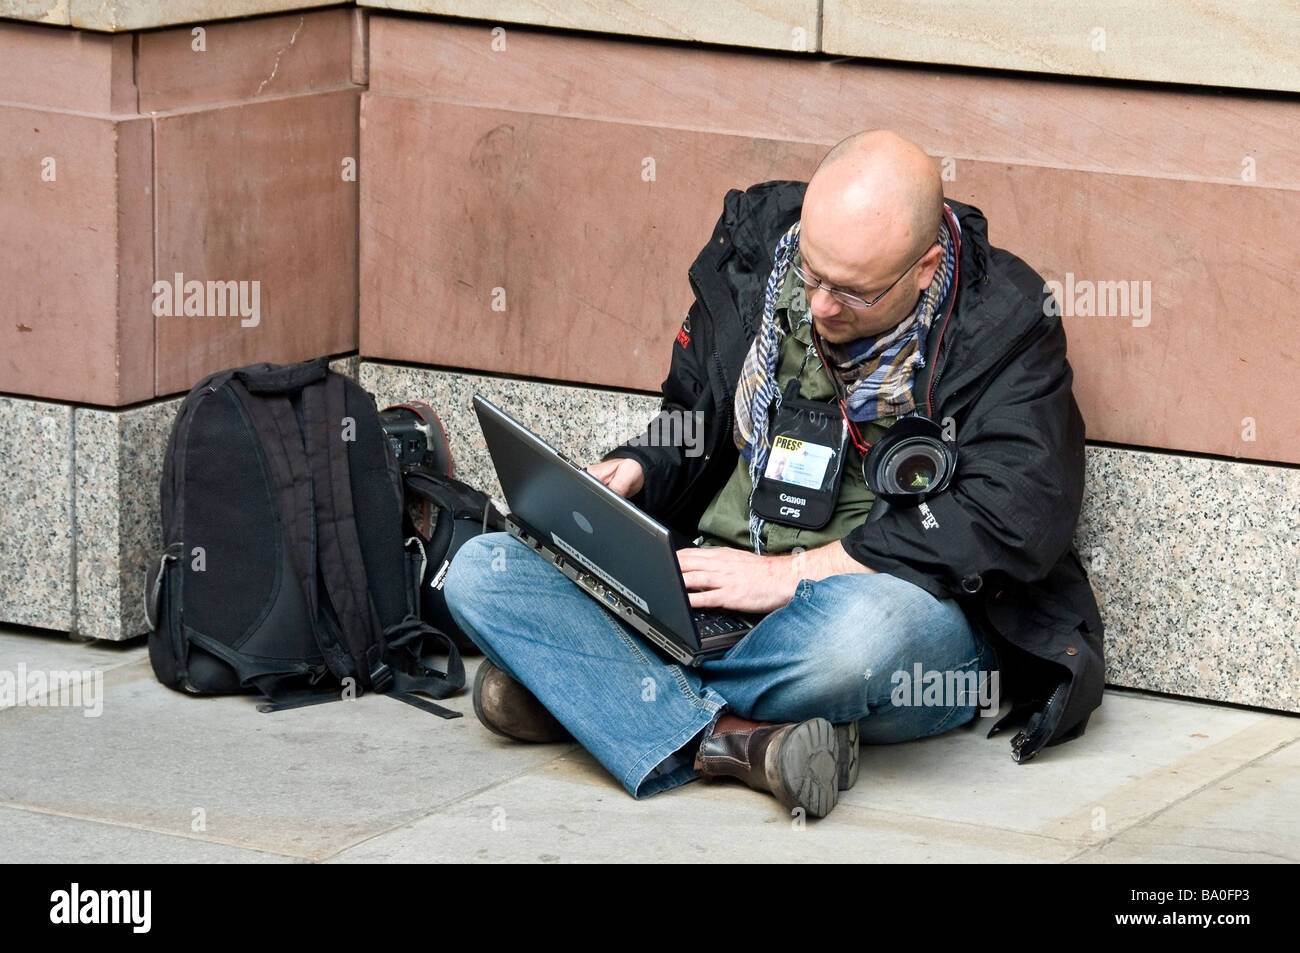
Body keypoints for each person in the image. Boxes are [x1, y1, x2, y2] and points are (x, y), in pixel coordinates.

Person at [443, 130, 1105, 820]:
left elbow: (1018, 512)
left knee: (859, 643)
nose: (821, 306)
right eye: (814, 276)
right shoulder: (759, 260)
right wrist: (643, 465)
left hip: (881, 607)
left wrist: (794, 575)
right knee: (480, 570)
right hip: (716, 586)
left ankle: (601, 690)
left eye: (853, 293)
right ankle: (736, 740)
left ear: (923, 268)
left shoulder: (1004, 322)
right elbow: (693, 417)